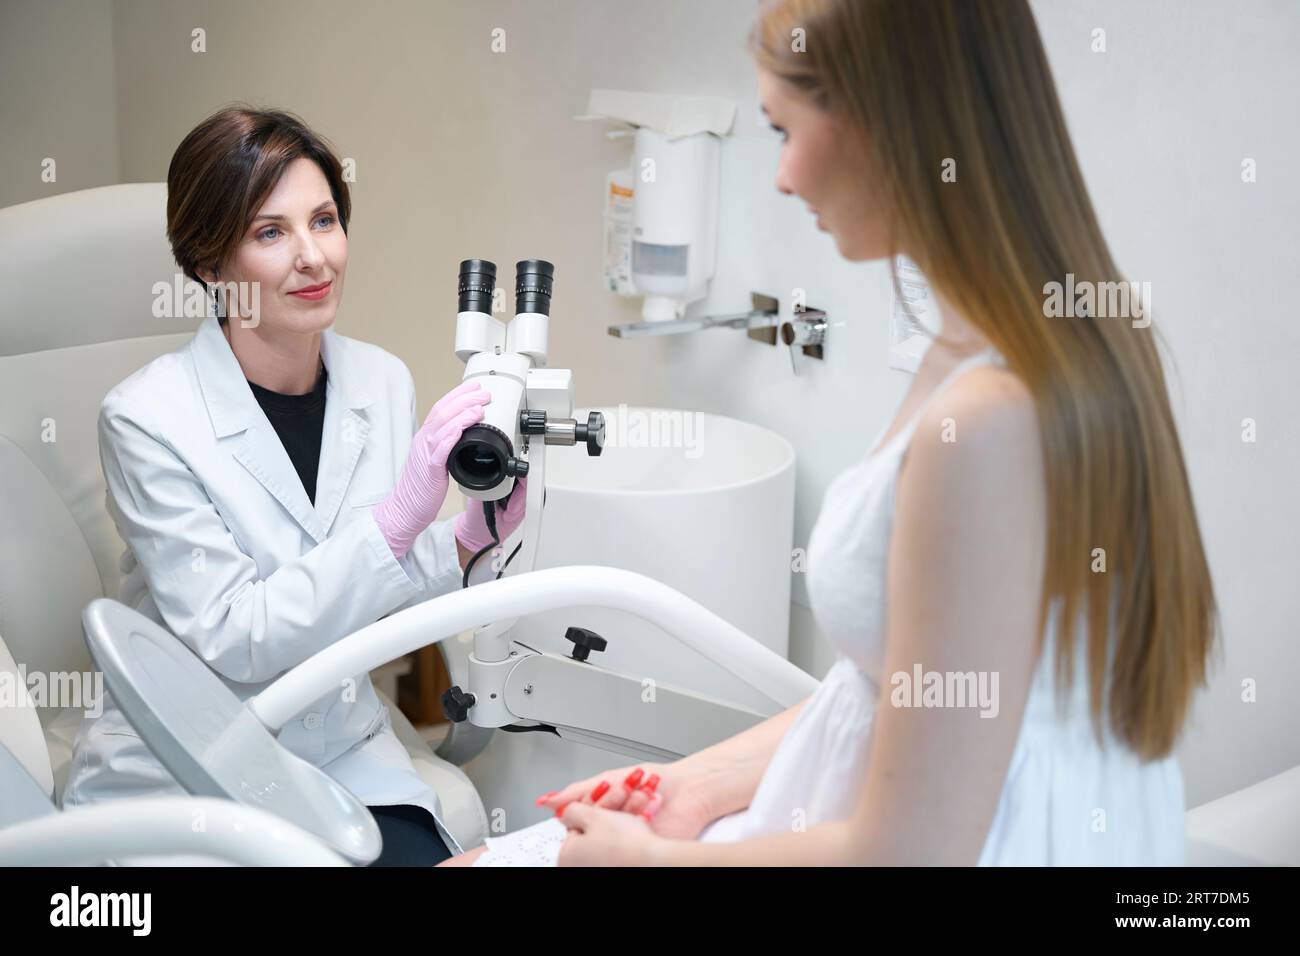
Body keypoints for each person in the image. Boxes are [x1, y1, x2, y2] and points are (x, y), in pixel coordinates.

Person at [444, 0, 1218, 867]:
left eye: (786, 129)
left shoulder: (988, 421)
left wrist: (648, 864)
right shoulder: (1025, 339)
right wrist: (697, 785)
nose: (781, 176)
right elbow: (886, 689)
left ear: (889, 123)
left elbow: (913, 851)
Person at [61, 106, 525, 866]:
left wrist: (463, 544)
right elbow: (236, 636)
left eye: (325, 220)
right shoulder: (146, 419)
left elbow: (371, 595)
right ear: (210, 264)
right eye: (271, 233)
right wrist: (396, 524)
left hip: (340, 753)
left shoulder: (381, 380)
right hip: (194, 766)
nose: (315, 257)